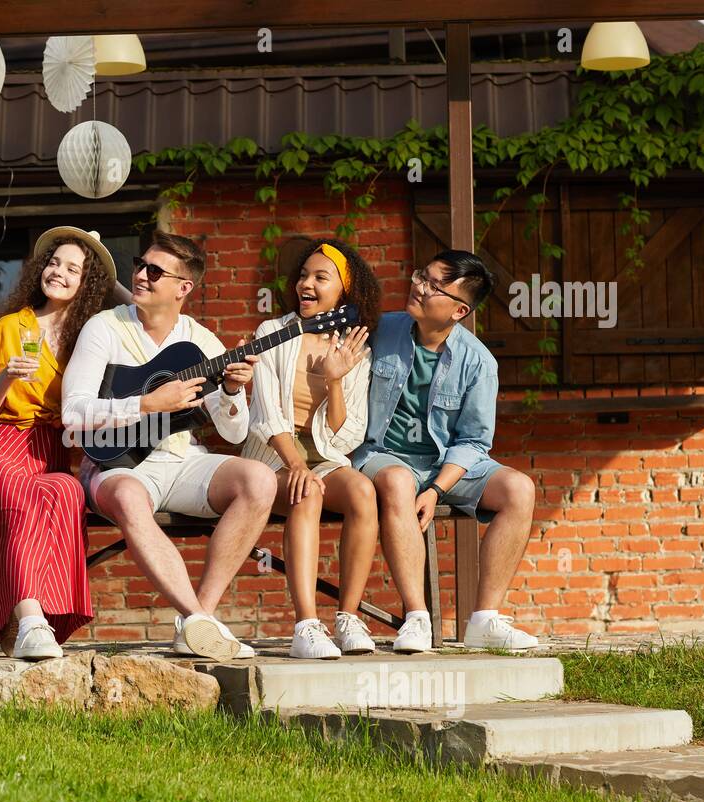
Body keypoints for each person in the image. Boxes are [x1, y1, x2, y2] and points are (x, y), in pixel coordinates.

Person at [61, 231, 277, 662]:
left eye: (154, 271)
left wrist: (233, 392)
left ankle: (199, 619)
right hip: (117, 462)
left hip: (180, 458)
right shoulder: (104, 327)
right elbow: (73, 414)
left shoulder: (202, 341)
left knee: (259, 478)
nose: (140, 275)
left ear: (183, 288)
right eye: (141, 264)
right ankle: (199, 619)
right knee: (127, 495)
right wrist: (146, 403)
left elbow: (234, 435)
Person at [353, 250, 539, 653]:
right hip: (383, 455)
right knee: (399, 480)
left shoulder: (478, 362)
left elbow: (473, 442)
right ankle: (417, 618)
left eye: (433, 286)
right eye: (422, 276)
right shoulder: (381, 329)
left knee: (518, 489)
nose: (418, 286)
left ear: (458, 311)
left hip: (444, 465)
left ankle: (485, 620)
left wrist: (436, 488)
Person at [0, 227, 128, 660]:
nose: (58, 272)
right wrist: (7, 377)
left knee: (66, 491)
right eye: (54, 263)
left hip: (51, 448)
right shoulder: (9, 327)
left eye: (72, 269)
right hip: (3, 441)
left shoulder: (88, 338)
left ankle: (29, 621)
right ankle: (31, 618)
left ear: (86, 283)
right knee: (18, 499)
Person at [242, 239, 381, 659]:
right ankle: (305, 624)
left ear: (344, 290)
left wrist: (335, 379)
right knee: (308, 490)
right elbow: (264, 416)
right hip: (273, 460)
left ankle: (347, 617)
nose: (307, 283)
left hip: (324, 458)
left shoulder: (356, 349)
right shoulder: (274, 333)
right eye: (304, 275)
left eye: (321, 277)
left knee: (362, 491)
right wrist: (297, 464)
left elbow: (347, 434)